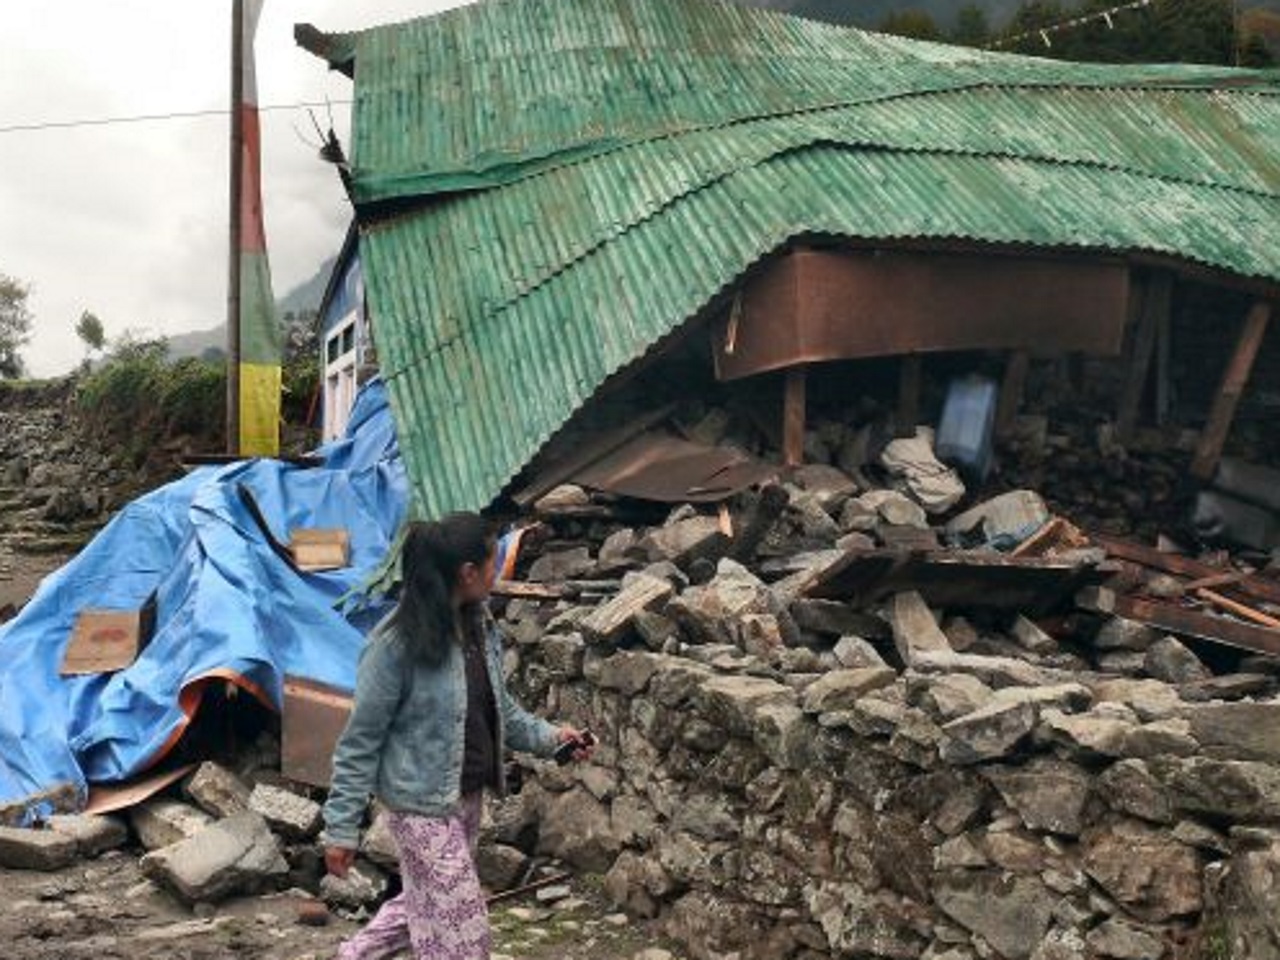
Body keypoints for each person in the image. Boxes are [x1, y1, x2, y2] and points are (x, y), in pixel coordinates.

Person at [322, 512, 591, 960]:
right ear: (467, 573)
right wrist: (341, 829)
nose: (497, 568)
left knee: (423, 903)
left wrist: (553, 737)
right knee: (465, 934)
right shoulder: (393, 647)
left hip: (464, 796)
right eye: (492, 561)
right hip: (418, 807)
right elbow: (359, 743)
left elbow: (500, 711)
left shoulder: (480, 627)